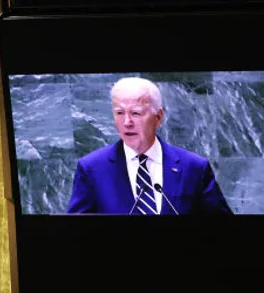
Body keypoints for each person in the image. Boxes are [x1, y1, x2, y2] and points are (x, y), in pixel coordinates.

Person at [66, 77, 231, 215]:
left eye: (136, 113)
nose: (127, 123)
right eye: (119, 113)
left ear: (158, 117)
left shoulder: (194, 168)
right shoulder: (91, 168)